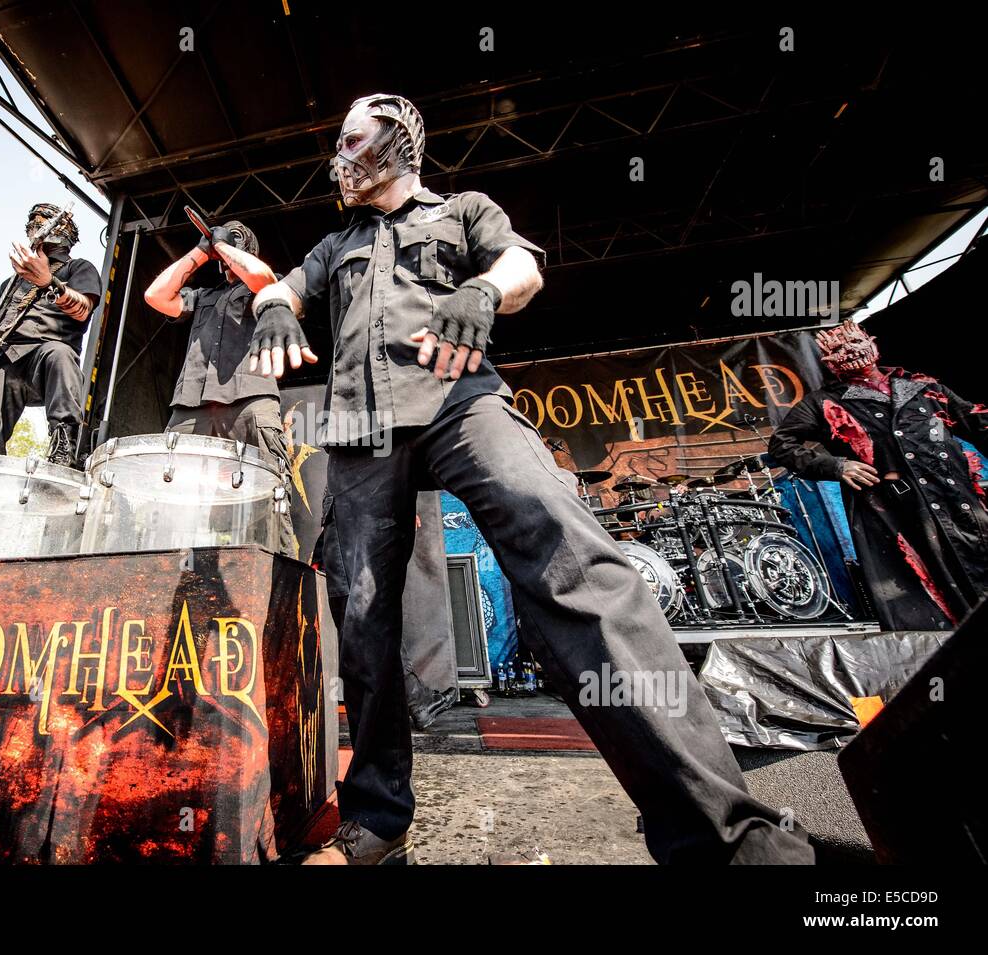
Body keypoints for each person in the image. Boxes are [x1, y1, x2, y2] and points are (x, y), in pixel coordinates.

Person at [249, 92, 813, 865]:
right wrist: (274, 309)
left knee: (570, 554)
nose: (340, 152)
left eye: (352, 136)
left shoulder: (464, 209)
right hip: (361, 431)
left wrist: (482, 292)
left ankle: (729, 835)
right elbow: (283, 286)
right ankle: (378, 821)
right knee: (364, 616)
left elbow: (521, 266)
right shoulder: (333, 241)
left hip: (459, 399)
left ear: (394, 139)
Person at [770, 320, 988, 630]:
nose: (851, 352)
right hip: (895, 509)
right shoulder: (823, 402)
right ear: (829, 362)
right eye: (840, 349)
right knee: (925, 596)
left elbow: (978, 423)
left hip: (957, 500)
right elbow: (782, 444)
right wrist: (836, 466)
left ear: (873, 345)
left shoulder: (925, 387)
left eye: (856, 343)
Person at [142, 219, 295, 554]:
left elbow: (264, 279)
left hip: (250, 402)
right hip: (191, 405)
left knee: (270, 498)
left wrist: (225, 247)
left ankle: (279, 592)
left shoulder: (267, 285)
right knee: (174, 499)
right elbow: (155, 296)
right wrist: (201, 252)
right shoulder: (203, 296)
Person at [0, 203, 101, 466]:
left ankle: (63, 446)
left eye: (44, 220)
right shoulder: (11, 283)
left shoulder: (79, 267)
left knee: (60, 354)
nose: (36, 224)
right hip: (5, 359)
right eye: (33, 221)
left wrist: (48, 282)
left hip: (46, 360)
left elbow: (83, 311)